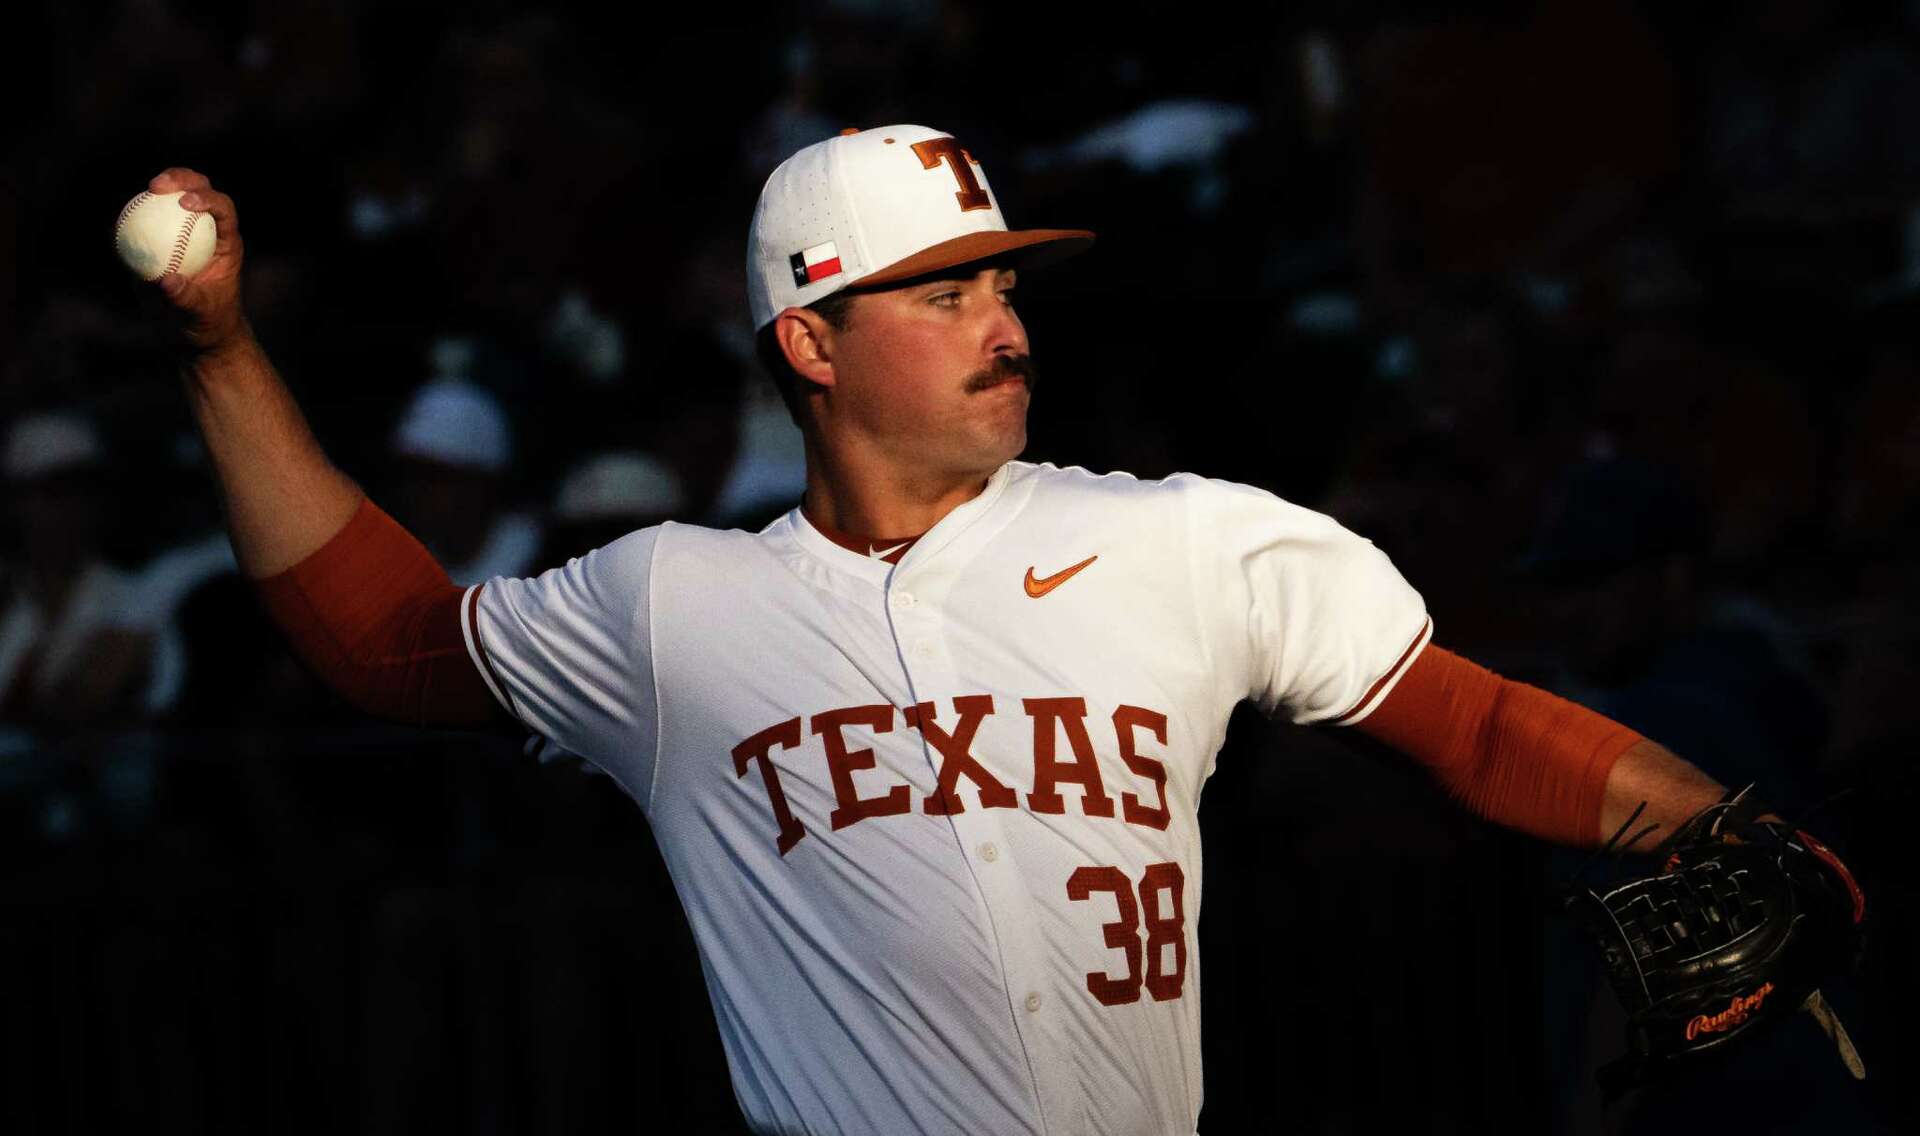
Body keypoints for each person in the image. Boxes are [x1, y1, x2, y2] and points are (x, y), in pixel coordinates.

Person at [150, 124, 1772, 1136]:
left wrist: (1714, 825)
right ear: (812, 341)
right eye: (941, 296)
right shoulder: (673, 609)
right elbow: (382, 644)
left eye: (1002, 287)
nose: (1003, 324)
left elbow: (1474, 722)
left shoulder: (1183, 539)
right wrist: (225, 354)